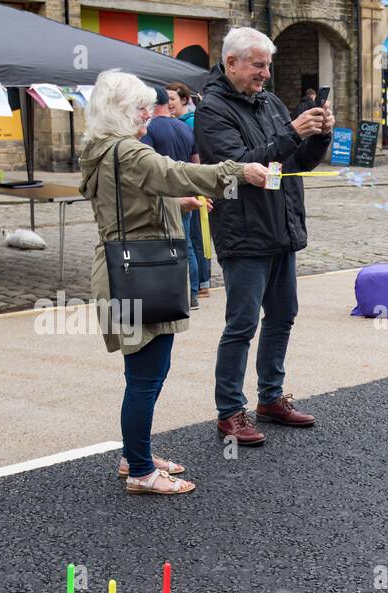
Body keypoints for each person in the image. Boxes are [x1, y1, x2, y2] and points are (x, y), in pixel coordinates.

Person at [78, 70, 268, 495]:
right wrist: (240, 171)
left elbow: (137, 196)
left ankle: (136, 454)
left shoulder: (103, 149)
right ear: (120, 112)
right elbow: (179, 171)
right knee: (147, 375)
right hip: (141, 274)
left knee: (143, 372)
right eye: (141, 107)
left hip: (123, 270)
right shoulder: (128, 152)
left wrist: (170, 200)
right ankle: (142, 471)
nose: (151, 112)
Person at [195, 26, 335, 446]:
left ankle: (270, 398)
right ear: (231, 62)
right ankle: (229, 411)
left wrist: (319, 134)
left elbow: (299, 162)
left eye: (268, 65)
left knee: (283, 316)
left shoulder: (271, 102)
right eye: (259, 65)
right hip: (244, 232)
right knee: (241, 324)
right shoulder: (212, 110)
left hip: (282, 227)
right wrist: (293, 130)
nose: (266, 74)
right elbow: (239, 167)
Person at [140, 86, 201, 310]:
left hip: (164, 196)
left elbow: (146, 167)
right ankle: (192, 294)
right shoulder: (185, 128)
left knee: (165, 246)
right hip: (187, 192)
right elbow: (197, 164)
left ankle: (170, 293)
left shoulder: (148, 130)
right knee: (188, 245)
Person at [167, 81, 211, 297]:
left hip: (191, 186)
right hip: (188, 186)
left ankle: (201, 283)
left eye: (173, 99)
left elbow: (197, 159)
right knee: (193, 238)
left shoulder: (191, 123)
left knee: (196, 238)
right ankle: (200, 284)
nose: (169, 104)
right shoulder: (178, 122)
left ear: (184, 99)